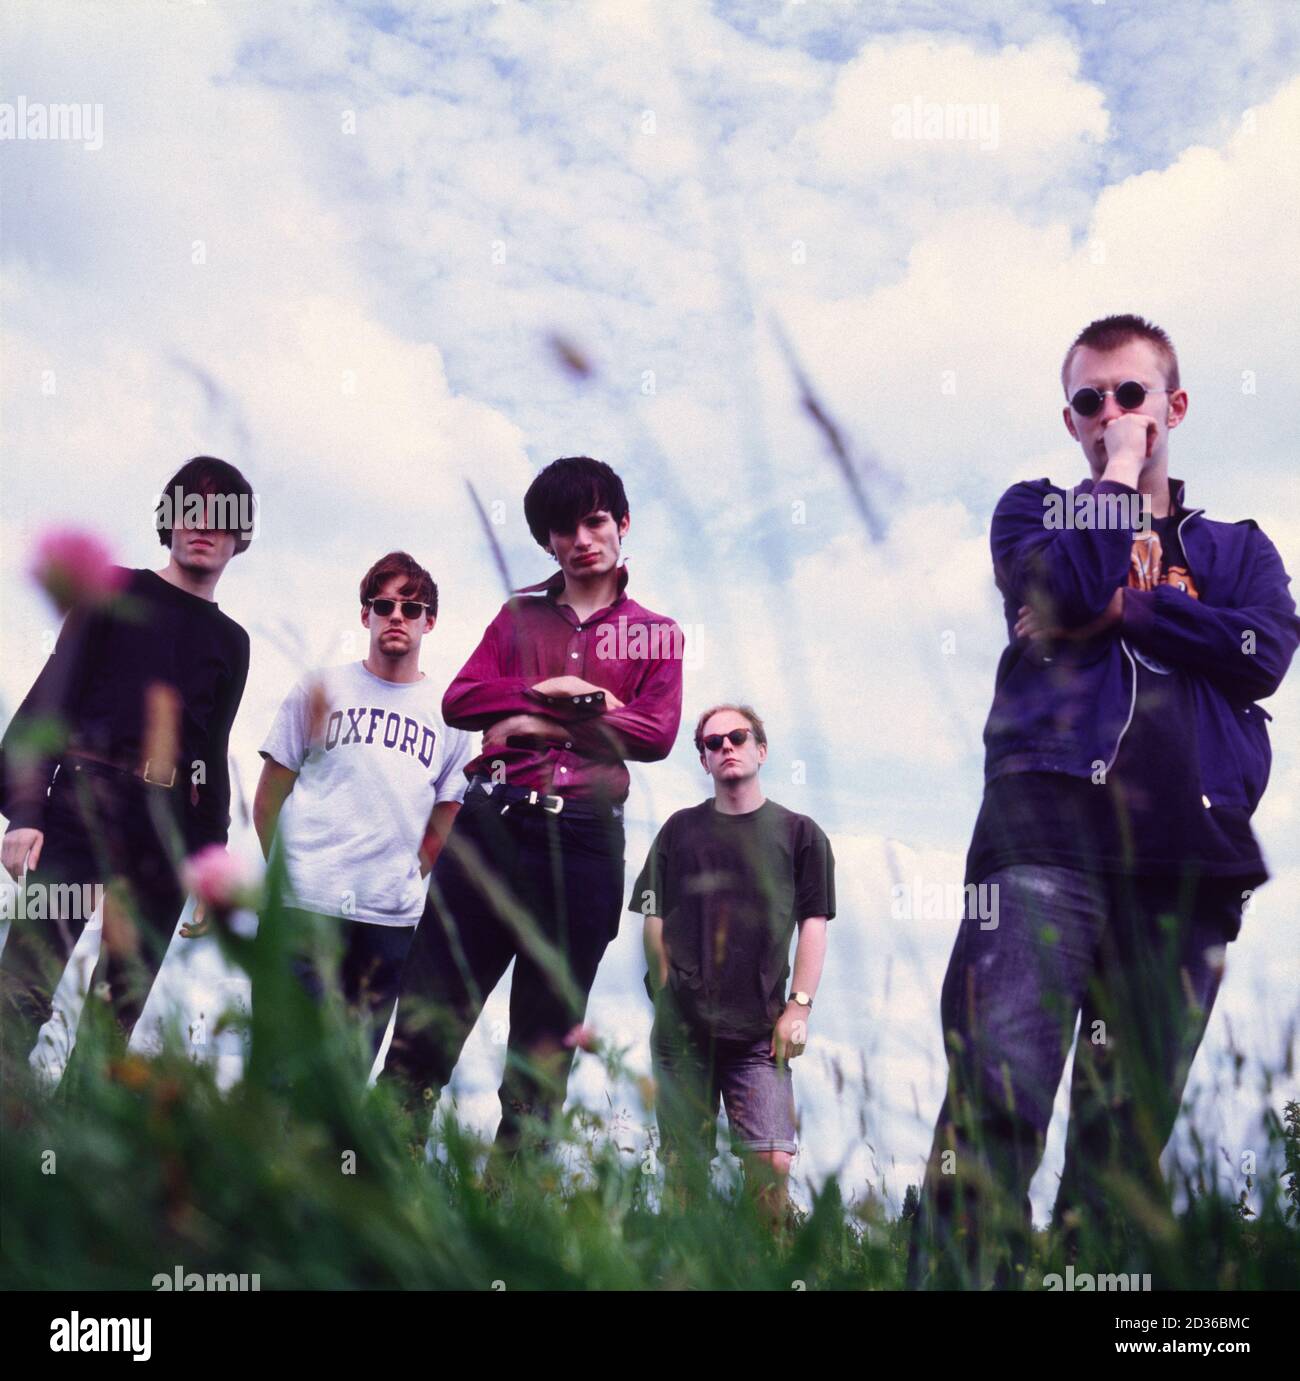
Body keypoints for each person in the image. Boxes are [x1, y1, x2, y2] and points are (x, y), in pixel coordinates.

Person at [907, 314, 1300, 1288]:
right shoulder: (1032, 511)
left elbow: (1265, 654)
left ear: (1174, 404)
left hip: (1189, 865)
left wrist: (1128, 608)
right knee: (995, 1099)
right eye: (1089, 400)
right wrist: (1118, 475)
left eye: (1131, 395)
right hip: (1044, 840)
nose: (1110, 413)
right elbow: (1069, 577)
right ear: (1071, 419)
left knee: (1121, 1152)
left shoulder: (1239, 547)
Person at [379, 456, 683, 1162]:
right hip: (491, 826)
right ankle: (370, 1187)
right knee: (427, 1021)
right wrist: (567, 698)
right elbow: (462, 700)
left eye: (595, 520)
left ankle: (511, 1213)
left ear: (622, 523)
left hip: (583, 841)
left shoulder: (657, 633)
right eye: (562, 528)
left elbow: (657, 733)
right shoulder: (517, 613)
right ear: (547, 542)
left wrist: (542, 722)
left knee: (544, 1049)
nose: (581, 538)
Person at [0, 456, 254, 1087]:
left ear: (240, 538)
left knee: (118, 1011)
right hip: (82, 806)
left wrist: (208, 861)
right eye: (189, 509)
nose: (203, 525)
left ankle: (79, 1170)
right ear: (168, 522)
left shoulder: (232, 641)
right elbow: (50, 699)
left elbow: (211, 750)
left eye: (222, 516)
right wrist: (26, 813)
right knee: (22, 988)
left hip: (165, 834)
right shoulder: (112, 589)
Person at [247, 551, 473, 1071]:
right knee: (276, 1068)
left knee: (345, 1080)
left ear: (429, 621)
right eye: (384, 604)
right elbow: (268, 798)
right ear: (365, 614)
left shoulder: (451, 715)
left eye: (412, 608)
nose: (398, 616)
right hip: (302, 910)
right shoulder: (320, 688)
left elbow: (447, 813)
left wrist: (402, 877)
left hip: (387, 922)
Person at [634, 704, 834, 1229]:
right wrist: (664, 993)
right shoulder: (679, 830)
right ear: (703, 760)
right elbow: (652, 914)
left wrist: (800, 1006)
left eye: (737, 737)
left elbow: (815, 922)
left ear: (760, 750)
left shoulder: (801, 834)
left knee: (770, 1164)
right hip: (683, 1033)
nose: (725, 746)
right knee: (683, 1172)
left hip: (761, 1035)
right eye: (712, 742)